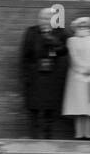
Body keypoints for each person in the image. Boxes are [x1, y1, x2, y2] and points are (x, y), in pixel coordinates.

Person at [21, 7, 69, 139]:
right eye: (42, 18)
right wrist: (26, 77)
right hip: (35, 76)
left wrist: (53, 41)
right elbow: (25, 56)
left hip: (52, 77)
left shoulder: (60, 33)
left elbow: (64, 50)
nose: (45, 21)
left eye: (48, 18)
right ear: (38, 18)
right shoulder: (31, 32)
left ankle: (48, 139)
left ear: (53, 19)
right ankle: (34, 138)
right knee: (34, 110)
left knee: (49, 110)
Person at [62, 16, 90, 139]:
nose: (83, 27)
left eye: (85, 24)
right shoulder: (72, 41)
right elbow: (73, 57)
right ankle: (78, 133)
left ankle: (88, 132)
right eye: (80, 25)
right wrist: (83, 69)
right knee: (78, 105)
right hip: (77, 77)